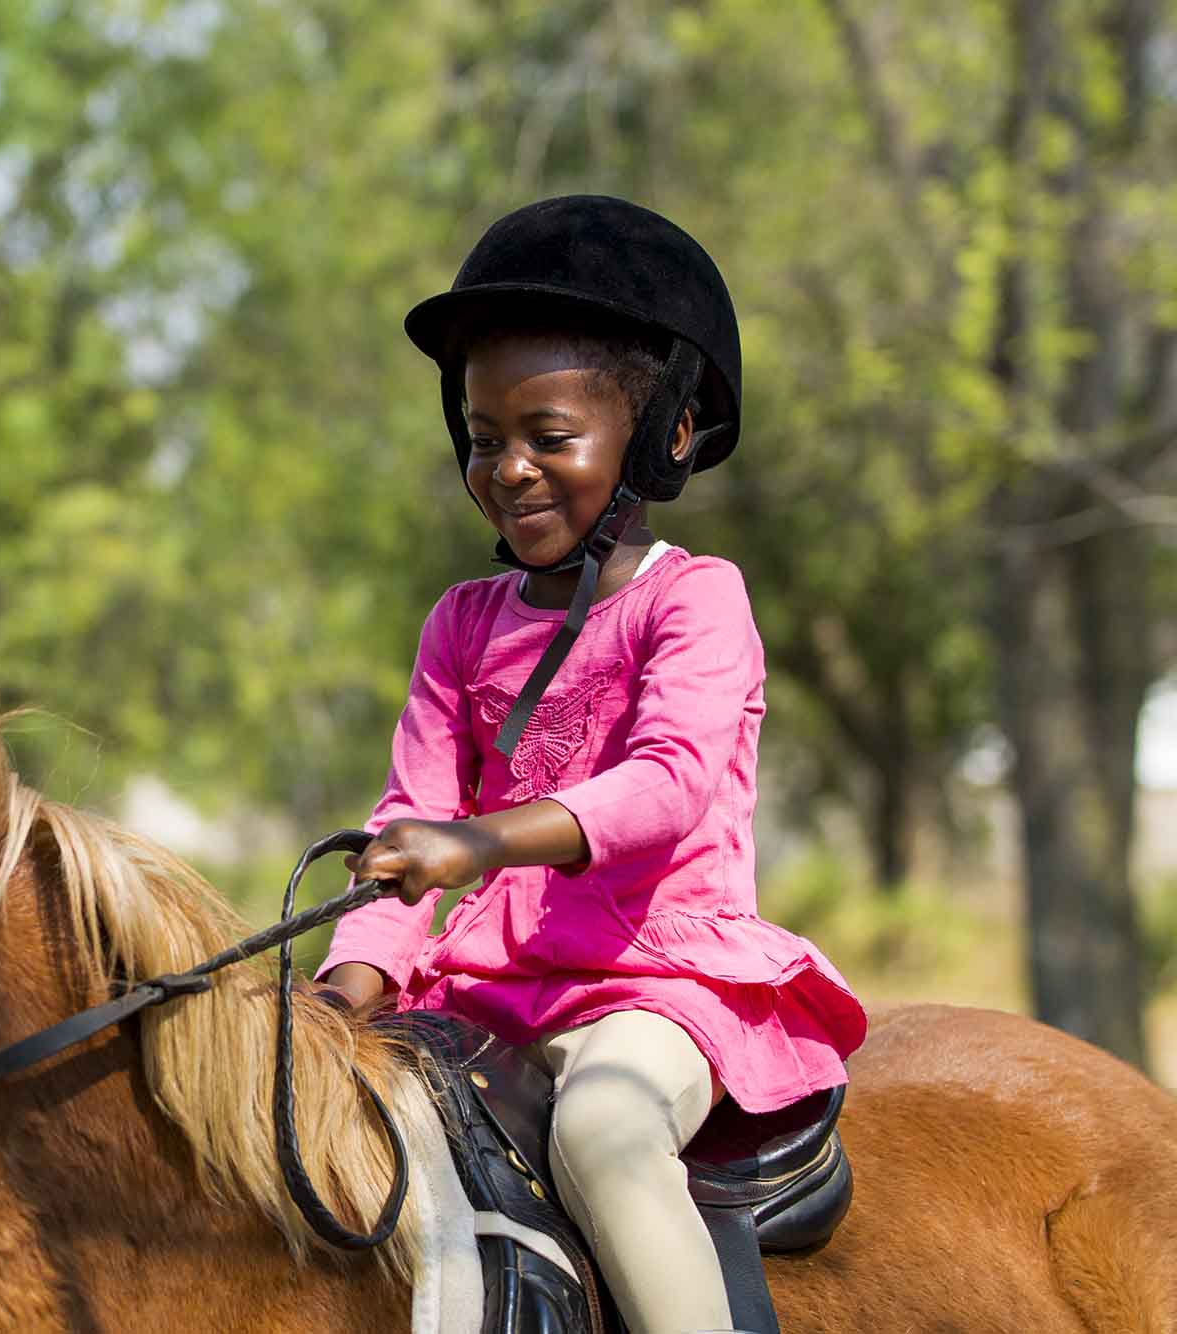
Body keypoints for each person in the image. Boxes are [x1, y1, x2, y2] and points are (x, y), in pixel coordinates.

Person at [319, 195, 867, 1334]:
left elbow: (665, 784)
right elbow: (406, 818)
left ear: (660, 431)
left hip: (656, 984)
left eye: (546, 438)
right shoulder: (459, 623)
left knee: (603, 1133)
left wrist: (477, 841)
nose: (508, 469)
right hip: (484, 994)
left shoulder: (694, 598)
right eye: (482, 439)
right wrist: (343, 991)